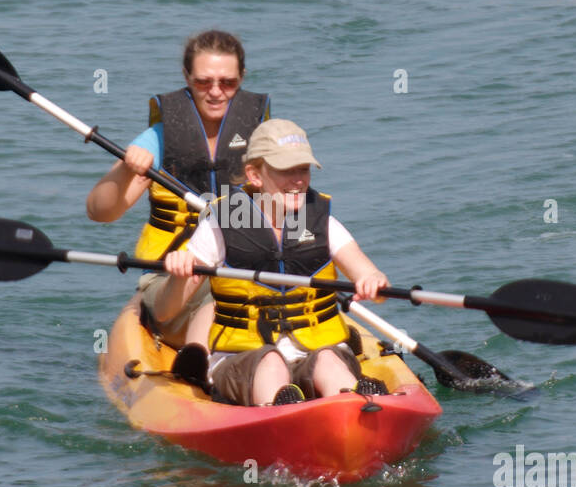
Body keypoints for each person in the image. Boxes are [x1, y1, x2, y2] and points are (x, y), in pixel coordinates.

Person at [157, 119, 397, 406]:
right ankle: (280, 409)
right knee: (270, 362)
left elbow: (367, 272)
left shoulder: (324, 222)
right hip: (243, 359)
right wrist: (180, 275)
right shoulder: (219, 226)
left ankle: (360, 406)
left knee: (329, 360)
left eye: (303, 169)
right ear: (254, 175)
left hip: (315, 351)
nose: (298, 179)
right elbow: (164, 311)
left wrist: (373, 281)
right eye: (286, 170)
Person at [85, 30, 269, 346]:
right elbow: (100, 211)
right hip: (175, 273)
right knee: (222, 299)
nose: (215, 92)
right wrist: (128, 171)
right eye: (203, 82)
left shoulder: (264, 136)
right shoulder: (160, 137)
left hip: (244, 269)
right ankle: (199, 361)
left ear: (241, 78)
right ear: (187, 77)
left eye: (227, 82)